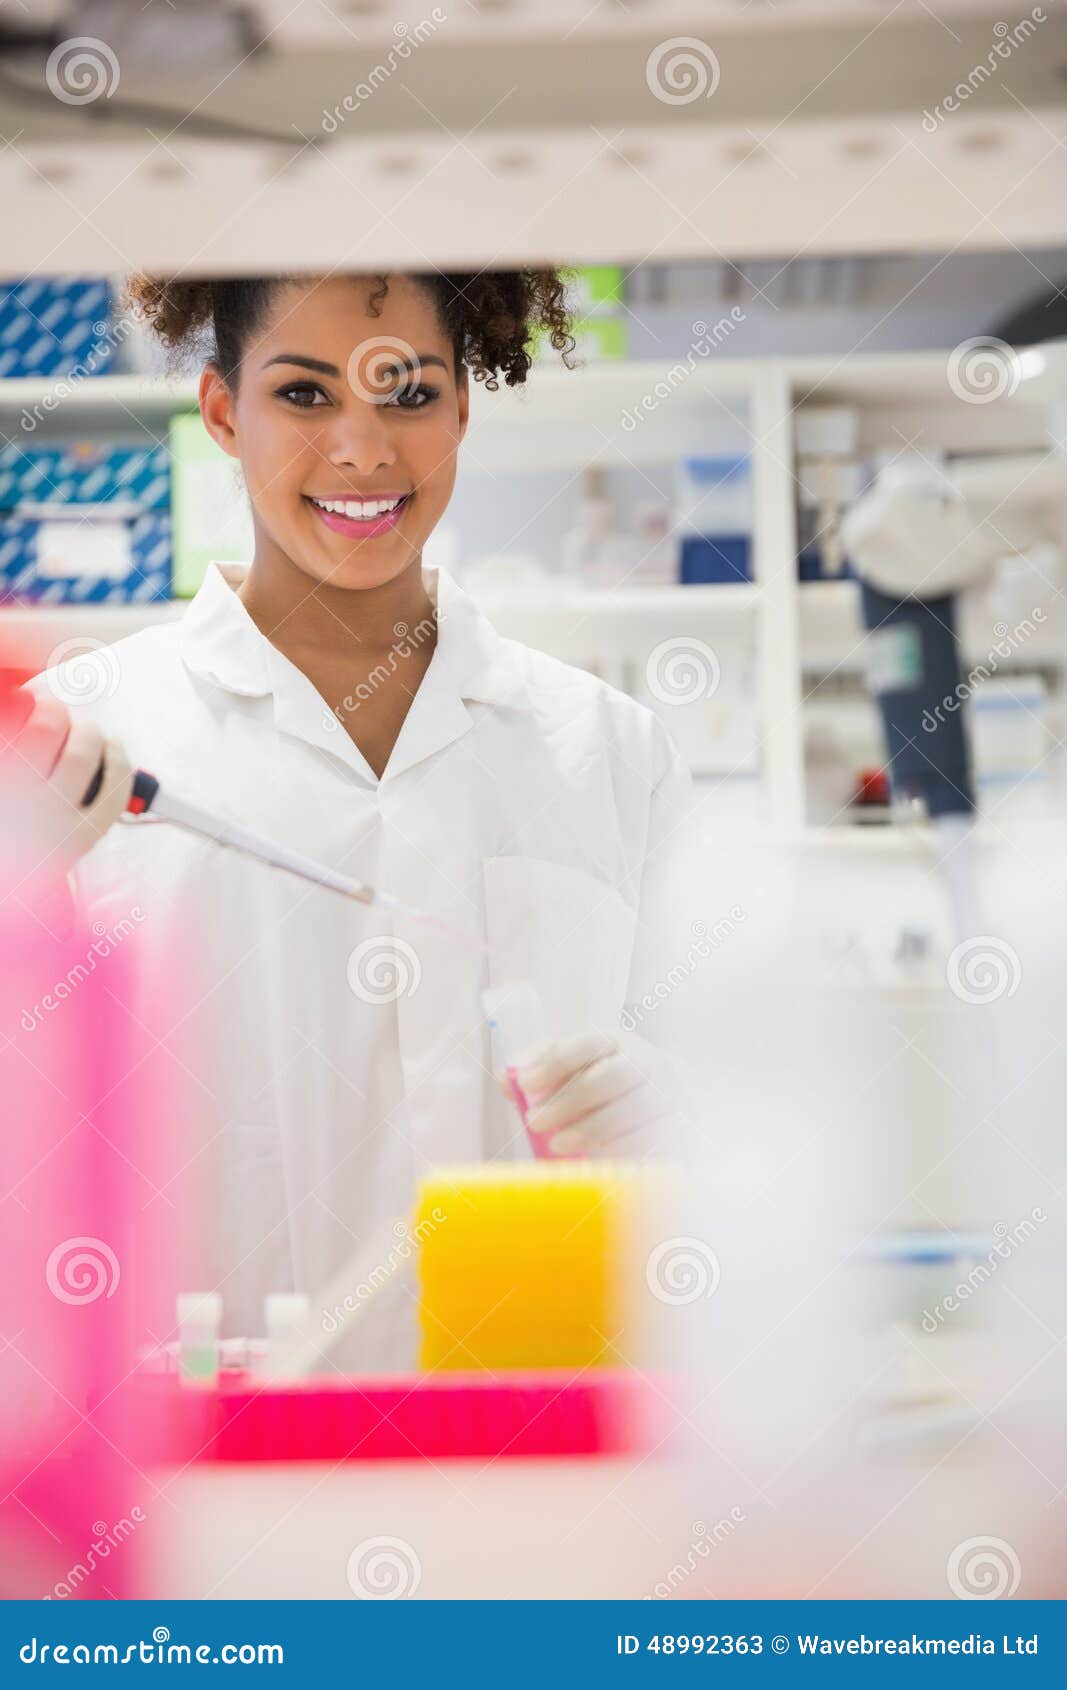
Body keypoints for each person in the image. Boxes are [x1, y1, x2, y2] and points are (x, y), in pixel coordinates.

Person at [26, 269, 692, 1363]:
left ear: (461, 410)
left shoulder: (604, 749)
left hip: (532, 1423)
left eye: (408, 394)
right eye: (303, 395)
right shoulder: (82, 741)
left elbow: (739, 1128)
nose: (362, 450)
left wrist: (675, 1110)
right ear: (222, 413)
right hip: (212, 1435)